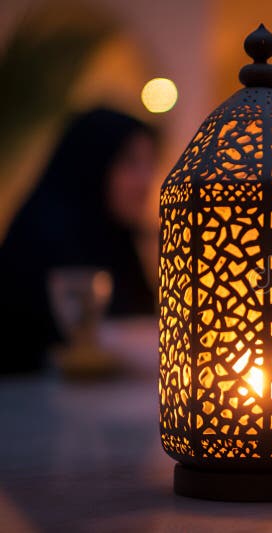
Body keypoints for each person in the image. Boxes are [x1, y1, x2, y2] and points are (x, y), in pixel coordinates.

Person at [0, 108, 159, 373]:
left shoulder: (117, 237)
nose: (145, 181)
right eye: (130, 163)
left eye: (149, 164)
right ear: (93, 163)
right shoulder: (43, 237)